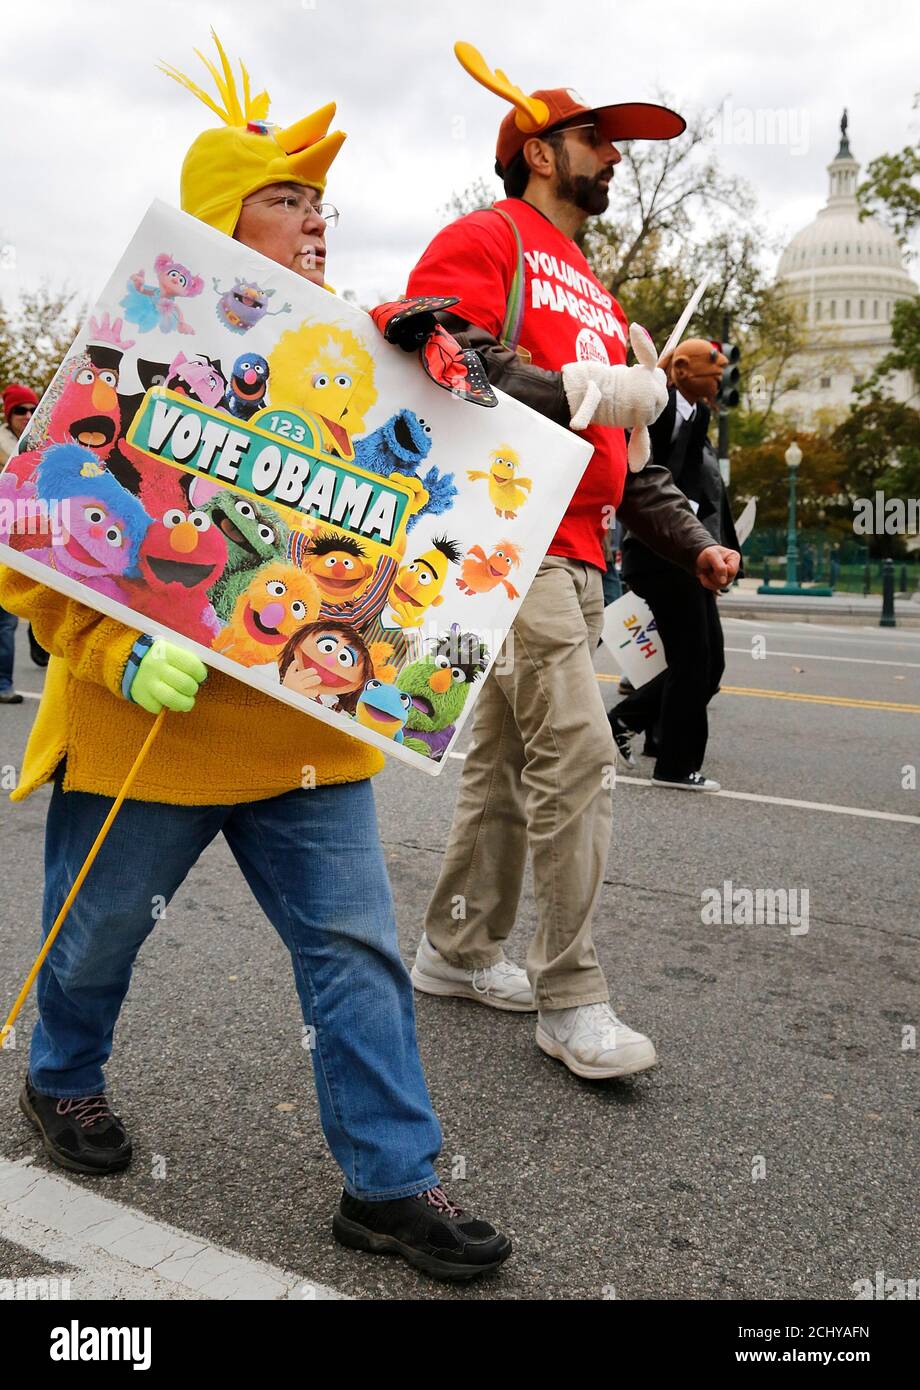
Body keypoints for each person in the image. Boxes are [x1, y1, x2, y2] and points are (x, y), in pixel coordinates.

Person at [0, 36, 509, 1282]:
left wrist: (467, 401)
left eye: (322, 204)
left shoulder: (380, 352)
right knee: (101, 937)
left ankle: (389, 1183)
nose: (316, 222)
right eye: (288, 198)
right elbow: (33, 538)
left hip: (305, 738)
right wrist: (117, 653)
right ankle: (59, 1077)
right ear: (224, 214)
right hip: (152, 733)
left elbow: (437, 513)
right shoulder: (132, 337)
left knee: (355, 954)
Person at [404, 44, 740, 1080]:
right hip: (505, 543)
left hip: (576, 551)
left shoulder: (591, 288)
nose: (614, 158)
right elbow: (439, 349)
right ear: (538, 151)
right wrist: (588, 388)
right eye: (598, 139)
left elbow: (623, 455)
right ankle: (572, 993)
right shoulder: (486, 234)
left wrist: (692, 544)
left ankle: (455, 949)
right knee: (583, 759)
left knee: (505, 766)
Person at [609, 339, 743, 791]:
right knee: (694, 658)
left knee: (708, 661)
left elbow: (702, 489)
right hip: (661, 552)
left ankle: (634, 725)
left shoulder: (698, 413)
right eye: (713, 367)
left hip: (690, 551)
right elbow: (645, 482)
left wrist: (719, 543)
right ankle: (674, 764)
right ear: (681, 368)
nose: (720, 375)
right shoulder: (655, 405)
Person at [0, 384, 41, 700]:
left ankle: (40, 646)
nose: (27, 416)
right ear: (8, 414)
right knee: (4, 619)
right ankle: (3, 685)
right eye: (20, 410)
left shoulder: (41, 441)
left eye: (32, 409)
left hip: (29, 533)